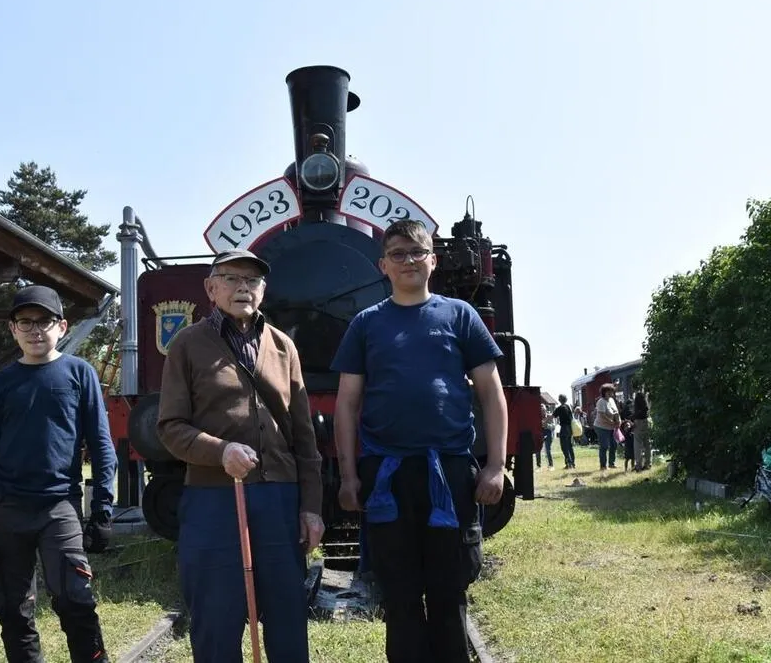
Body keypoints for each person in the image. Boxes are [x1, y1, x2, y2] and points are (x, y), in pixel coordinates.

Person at [331, 219, 508, 663]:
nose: (408, 261)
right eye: (398, 254)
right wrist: (349, 477)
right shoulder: (366, 324)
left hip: (449, 471)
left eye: (417, 252)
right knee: (400, 594)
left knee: (449, 590)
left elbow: (492, 393)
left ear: (433, 260)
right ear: (383, 266)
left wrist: (495, 465)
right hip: (386, 476)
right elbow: (346, 404)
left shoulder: (460, 315)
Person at [157, 248, 324, 663]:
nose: (242, 288)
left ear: (263, 290)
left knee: (287, 615)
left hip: (279, 497)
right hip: (213, 499)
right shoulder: (186, 345)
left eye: (251, 280)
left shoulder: (283, 346)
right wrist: (220, 451)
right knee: (215, 618)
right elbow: (170, 428)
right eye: (231, 278)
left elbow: (304, 437)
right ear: (210, 288)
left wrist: (311, 507)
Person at [0, 284, 117, 663]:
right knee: (13, 608)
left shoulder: (80, 374)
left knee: (75, 598)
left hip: (59, 507)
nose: (35, 330)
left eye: (44, 321)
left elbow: (102, 445)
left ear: (62, 326)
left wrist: (102, 510)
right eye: (25, 322)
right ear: (13, 329)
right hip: (7, 509)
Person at [553, 394, 576, 469]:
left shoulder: (559, 408)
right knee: (569, 446)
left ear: (559, 400)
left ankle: (568, 463)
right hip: (570, 428)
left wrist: (543, 422)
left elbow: (553, 416)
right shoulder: (568, 407)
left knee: (564, 447)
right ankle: (572, 463)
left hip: (564, 428)